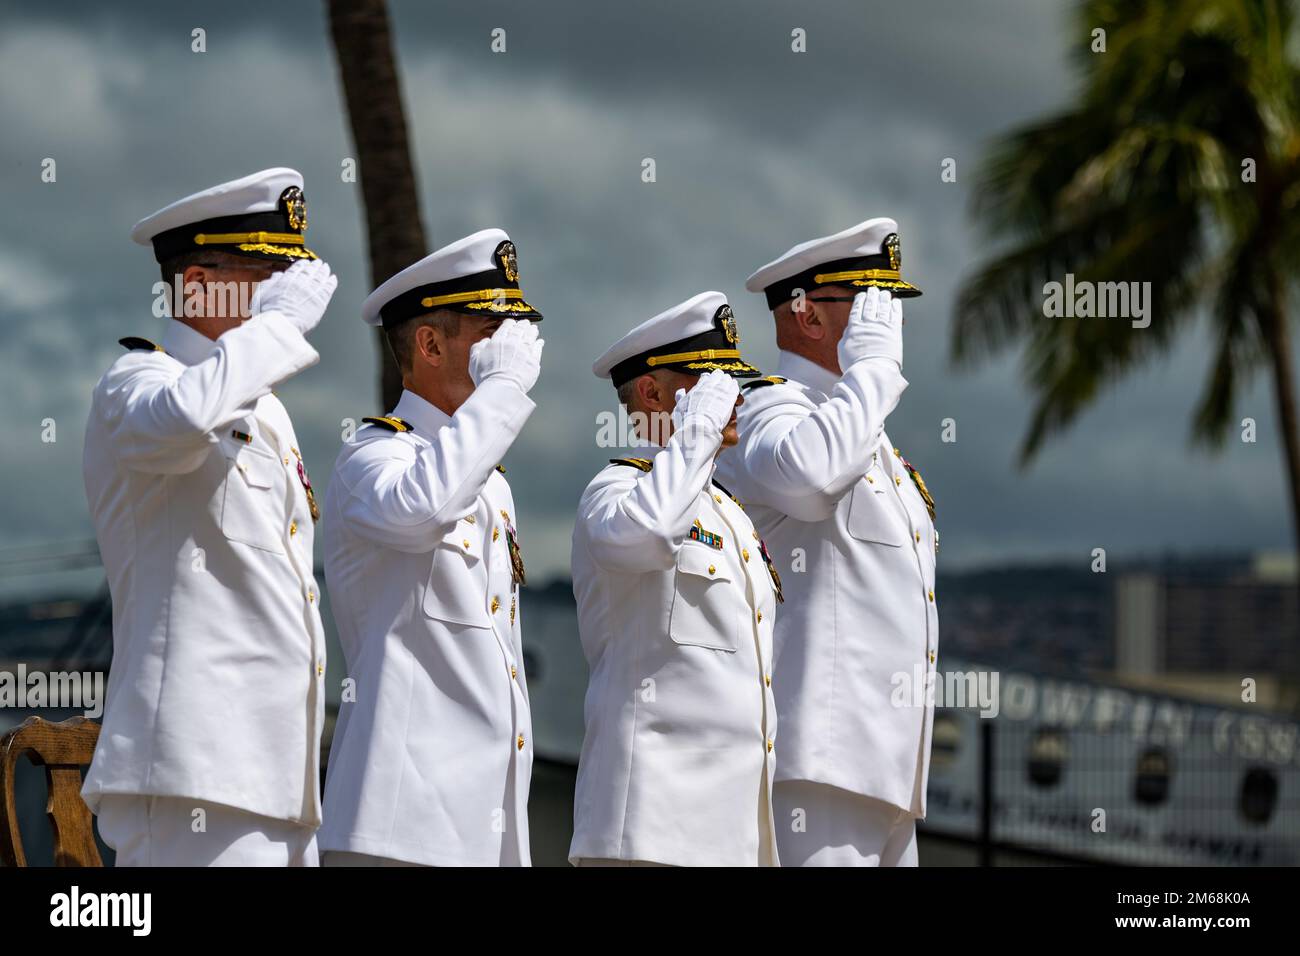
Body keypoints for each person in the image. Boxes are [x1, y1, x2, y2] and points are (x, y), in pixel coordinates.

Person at [83, 168, 337, 866]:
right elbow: (185, 419)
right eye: (267, 276)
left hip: (279, 781)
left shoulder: (266, 412)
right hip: (192, 772)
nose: (287, 296)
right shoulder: (137, 383)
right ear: (197, 283)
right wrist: (281, 326)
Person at [716, 218, 938, 866]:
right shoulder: (769, 410)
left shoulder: (866, 436)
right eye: (871, 306)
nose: (887, 324)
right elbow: (809, 479)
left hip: (888, 768)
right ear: (808, 316)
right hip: (817, 758)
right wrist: (872, 370)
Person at [318, 229, 544, 866]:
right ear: (429, 343)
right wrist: (502, 393)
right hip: (399, 825)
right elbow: (423, 509)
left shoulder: (486, 480)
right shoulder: (374, 457)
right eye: (488, 335)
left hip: (483, 827)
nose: (508, 354)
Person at [569, 291, 782, 867]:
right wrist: (696, 434)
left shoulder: (729, 514)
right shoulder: (615, 491)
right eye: (709, 384)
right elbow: (649, 533)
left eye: (731, 384)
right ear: (651, 392)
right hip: (648, 829)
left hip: (731, 836)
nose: (731, 399)